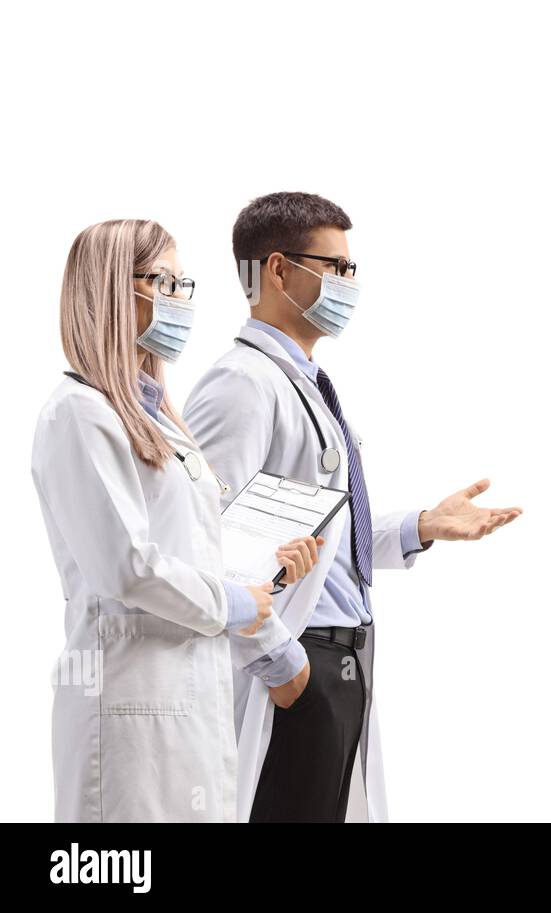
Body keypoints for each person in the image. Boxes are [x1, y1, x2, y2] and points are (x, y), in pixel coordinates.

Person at [184, 192, 522, 822]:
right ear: (279, 271)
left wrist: (419, 526)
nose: (348, 284)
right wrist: (285, 670)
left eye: (350, 269)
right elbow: (209, 547)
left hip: (340, 658)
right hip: (295, 663)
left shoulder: (303, 382)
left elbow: (314, 523)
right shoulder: (242, 384)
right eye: (335, 267)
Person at [33, 219, 321, 822]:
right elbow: (128, 569)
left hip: (187, 699)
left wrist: (265, 574)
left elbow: (189, 549)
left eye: (182, 284)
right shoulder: (80, 415)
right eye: (163, 281)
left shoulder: (158, 418)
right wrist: (233, 604)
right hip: (126, 708)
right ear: (113, 287)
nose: (179, 300)